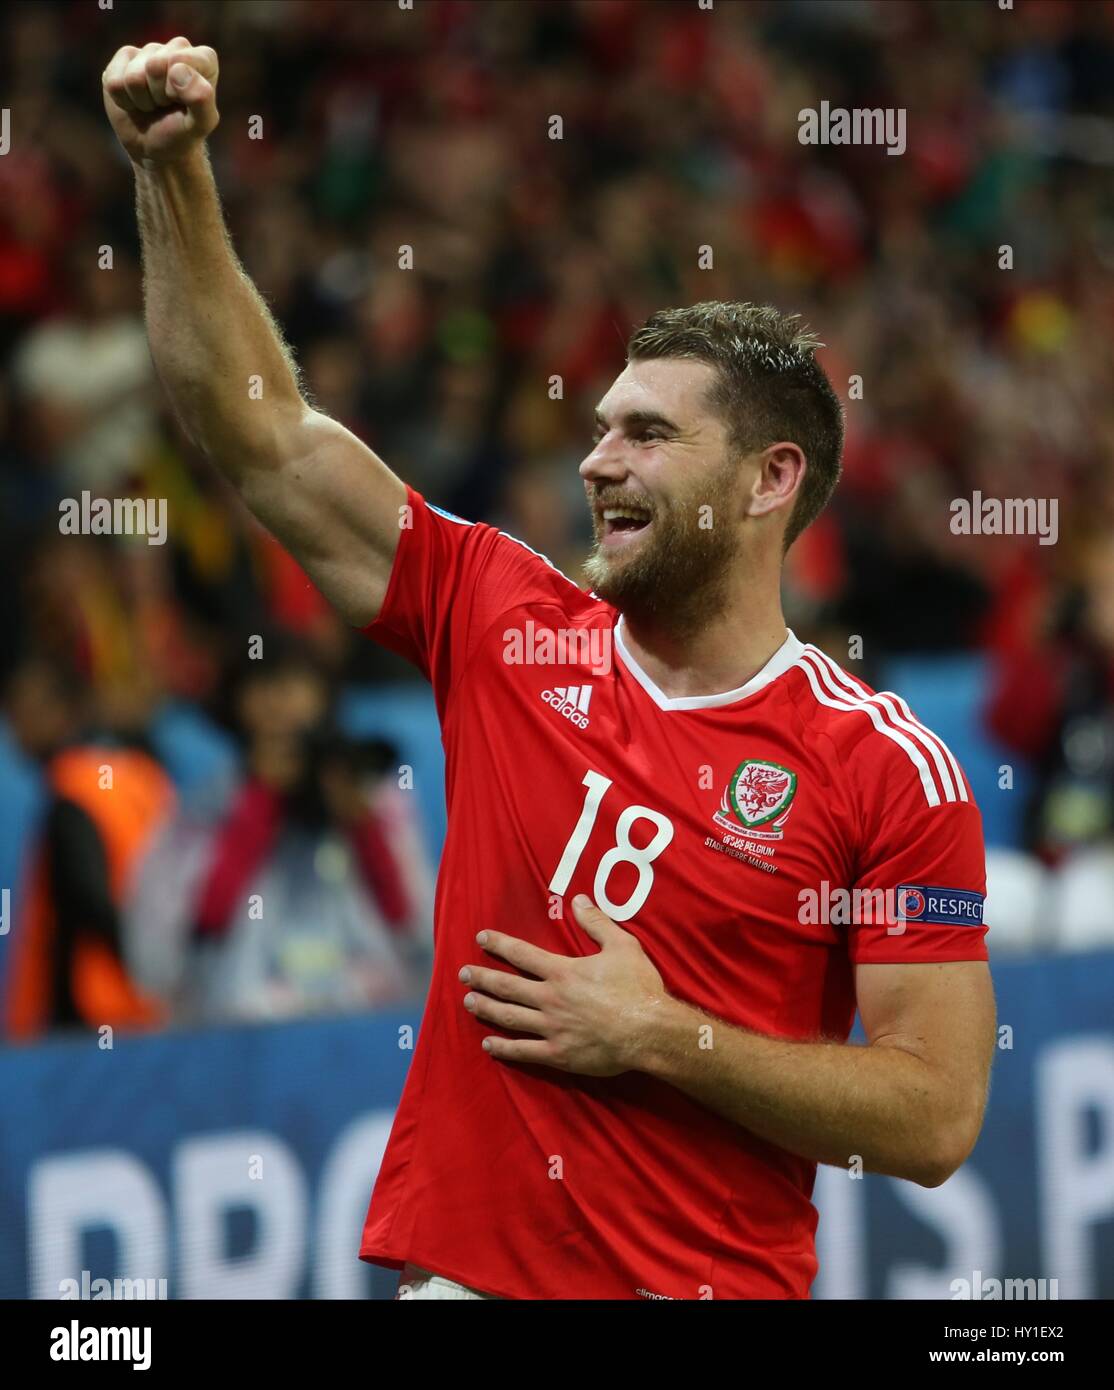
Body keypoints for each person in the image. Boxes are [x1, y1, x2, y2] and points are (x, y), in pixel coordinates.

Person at [103, 38, 996, 1300]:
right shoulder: (499, 620)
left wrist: (661, 1035)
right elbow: (259, 433)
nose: (597, 461)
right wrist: (174, 173)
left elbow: (934, 1118)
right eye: (597, 429)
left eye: (647, 433)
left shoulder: (887, 771)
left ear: (769, 479)